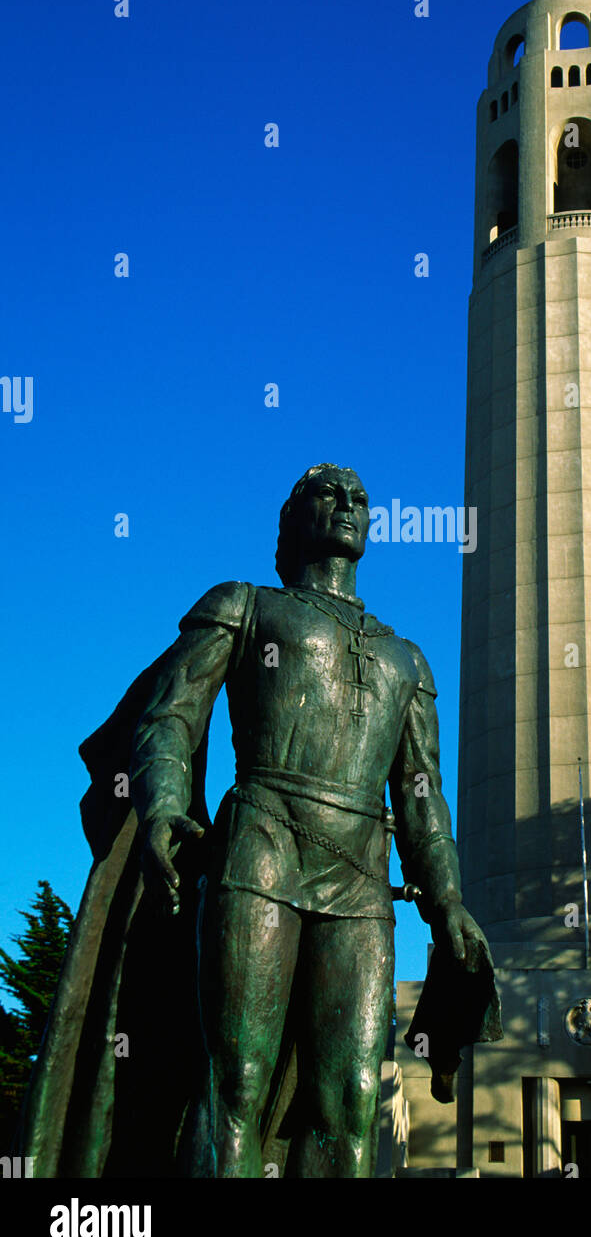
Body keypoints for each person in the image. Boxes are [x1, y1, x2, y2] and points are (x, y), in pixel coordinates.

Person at [127, 462, 493, 1177]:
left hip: (360, 879)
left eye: (360, 499)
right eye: (329, 495)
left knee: (352, 1098)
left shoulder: (405, 660)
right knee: (236, 1077)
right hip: (261, 846)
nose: (348, 505)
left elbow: (421, 795)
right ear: (294, 520)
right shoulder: (246, 607)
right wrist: (164, 804)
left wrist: (447, 899)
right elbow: (167, 718)